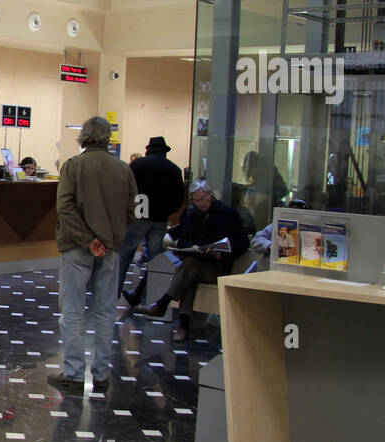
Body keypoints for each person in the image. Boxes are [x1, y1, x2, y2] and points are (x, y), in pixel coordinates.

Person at [51, 116, 137, 391]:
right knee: (105, 311)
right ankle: (101, 374)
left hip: (76, 248)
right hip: (110, 249)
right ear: (107, 138)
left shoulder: (73, 166)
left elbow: (65, 208)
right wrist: (108, 239)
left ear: (83, 137)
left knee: (73, 310)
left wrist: (89, 240)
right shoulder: (124, 169)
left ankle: (74, 372)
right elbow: (132, 211)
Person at [141, 179, 250, 342]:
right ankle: (182, 326)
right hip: (197, 263)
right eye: (198, 200)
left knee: (190, 267)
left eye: (204, 198)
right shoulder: (191, 215)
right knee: (191, 271)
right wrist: (193, 246)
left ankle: (164, 304)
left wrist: (224, 254)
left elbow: (243, 241)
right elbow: (184, 239)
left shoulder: (227, 214)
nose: (202, 203)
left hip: (218, 266)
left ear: (210, 194)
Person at [118, 136, 184, 307]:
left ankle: (113, 295)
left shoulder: (138, 165)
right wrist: (166, 211)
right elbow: (179, 199)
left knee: (125, 255)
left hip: (139, 213)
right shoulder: (174, 170)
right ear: (165, 151)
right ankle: (150, 297)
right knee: (156, 261)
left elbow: (126, 189)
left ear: (148, 149)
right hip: (160, 219)